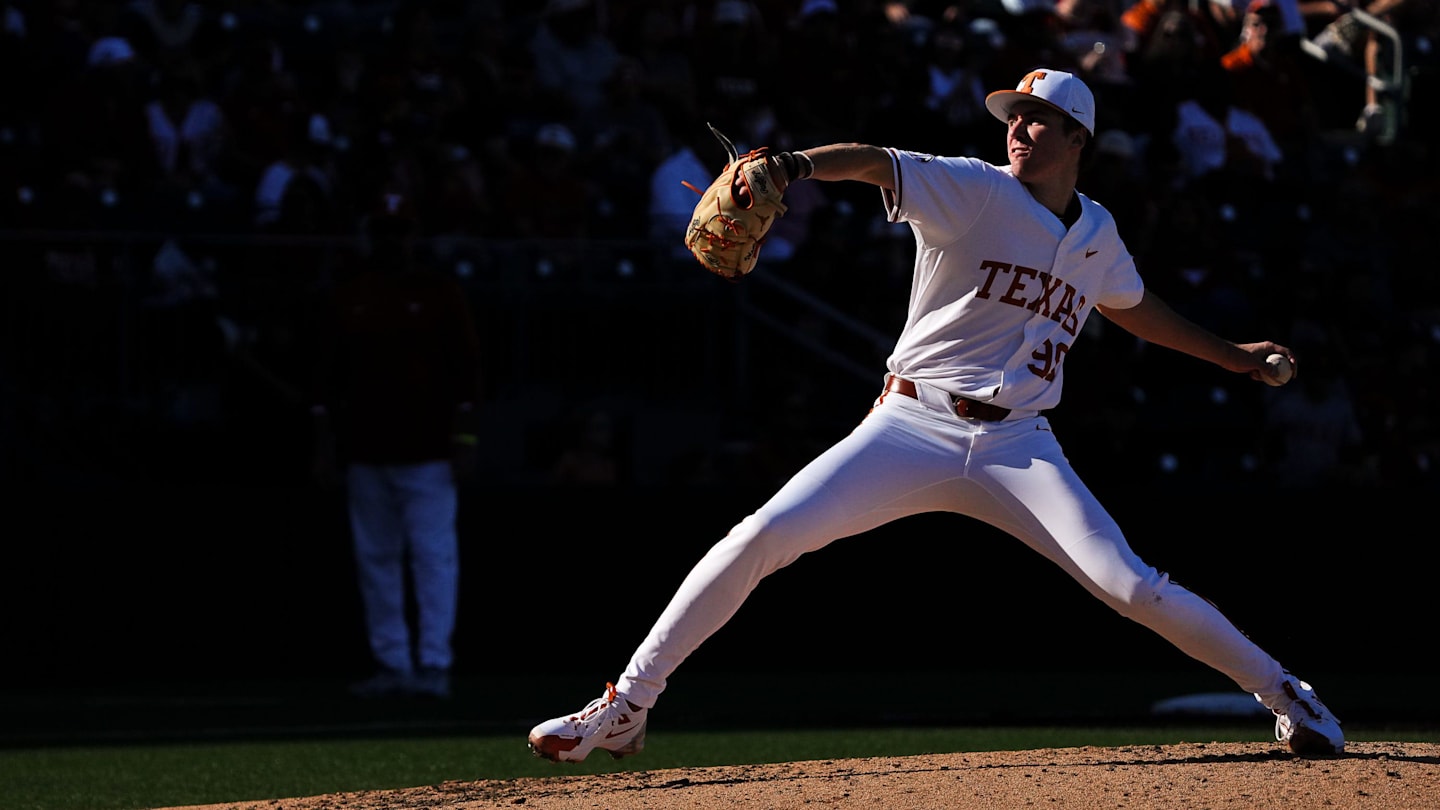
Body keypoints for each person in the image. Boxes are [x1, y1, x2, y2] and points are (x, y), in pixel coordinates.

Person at [527, 68, 1344, 762]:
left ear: (1078, 139)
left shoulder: (1097, 231)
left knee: (1130, 585)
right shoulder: (976, 187)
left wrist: (1236, 356)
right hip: (911, 425)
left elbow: (1135, 309)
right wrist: (794, 166)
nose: (1019, 127)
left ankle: (1289, 696)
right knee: (762, 536)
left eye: (1039, 119)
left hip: (1020, 444)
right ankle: (626, 707)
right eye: (1014, 116)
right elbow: (880, 162)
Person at [309, 192, 483, 700]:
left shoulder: (438, 292)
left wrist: (465, 440)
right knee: (377, 559)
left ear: (412, 236)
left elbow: (468, 372)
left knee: (433, 558)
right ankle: (392, 664)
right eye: (383, 231)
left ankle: (432, 665)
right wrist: (324, 446)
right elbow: (326, 379)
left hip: (428, 452)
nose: (392, 241)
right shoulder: (350, 293)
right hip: (366, 451)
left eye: (400, 231)